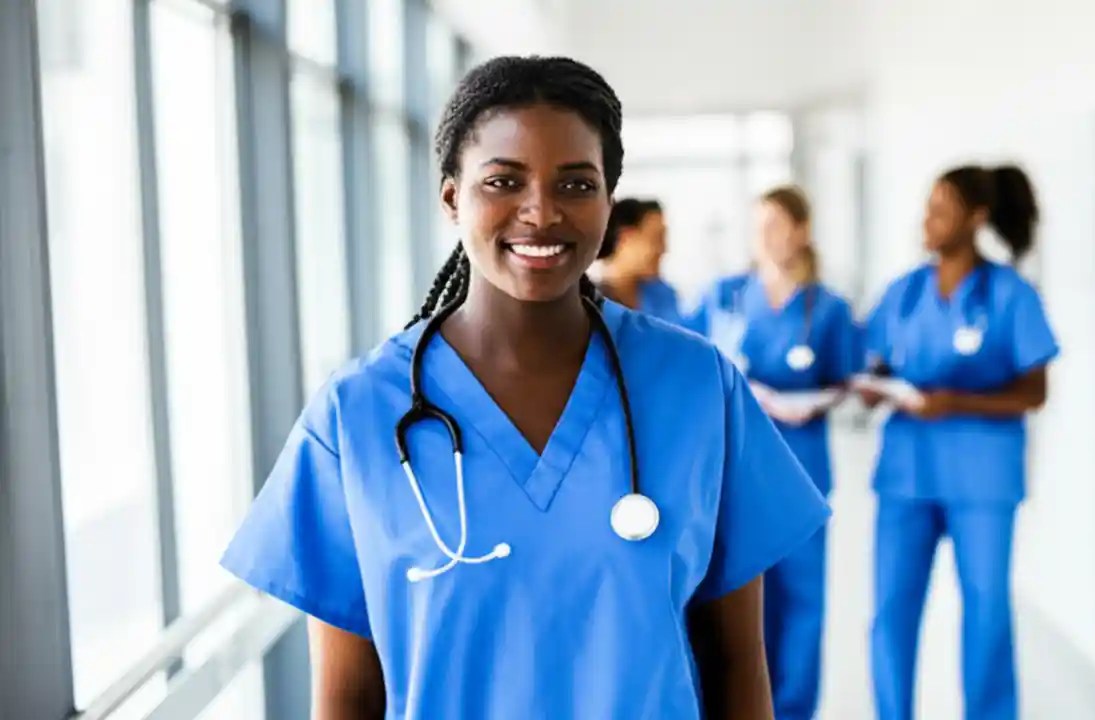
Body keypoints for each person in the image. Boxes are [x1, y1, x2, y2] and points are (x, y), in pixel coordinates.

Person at [219, 56, 830, 720]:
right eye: (503, 181)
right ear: (453, 197)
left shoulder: (698, 388)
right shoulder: (356, 414)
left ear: (608, 200)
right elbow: (347, 699)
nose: (540, 212)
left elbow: (738, 664)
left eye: (575, 184)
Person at [860, 165, 1058, 720]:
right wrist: (874, 387)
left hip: (982, 477)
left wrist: (957, 402)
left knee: (987, 611)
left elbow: (1034, 391)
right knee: (892, 612)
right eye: (927, 207)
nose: (928, 220)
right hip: (907, 474)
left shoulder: (1009, 294)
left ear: (975, 217)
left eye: (942, 209)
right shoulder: (904, 292)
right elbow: (871, 362)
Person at [687, 186, 862, 720]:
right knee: (737, 604)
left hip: (801, 465)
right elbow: (689, 364)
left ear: (802, 231)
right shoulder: (725, 295)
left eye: (778, 225)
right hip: (731, 472)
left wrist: (809, 401)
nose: (766, 236)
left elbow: (847, 380)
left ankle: (793, 711)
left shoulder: (827, 308)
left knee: (802, 605)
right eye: (759, 225)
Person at [595, 197, 683, 325]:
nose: (664, 249)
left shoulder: (663, 296)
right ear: (625, 238)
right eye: (656, 239)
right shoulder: (585, 304)